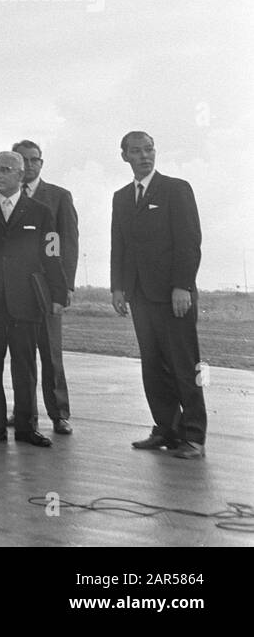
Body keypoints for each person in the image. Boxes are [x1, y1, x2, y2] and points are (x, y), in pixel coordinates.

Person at [0, 151, 68, 447]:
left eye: (5, 169)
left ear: (21, 175)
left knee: (25, 367)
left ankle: (26, 427)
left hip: (26, 303)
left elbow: (53, 254)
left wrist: (59, 294)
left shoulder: (42, 212)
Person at [111, 131, 205, 459]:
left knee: (183, 364)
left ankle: (193, 437)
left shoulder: (176, 190)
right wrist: (118, 287)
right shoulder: (122, 197)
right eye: (136, 151)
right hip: (139, 295)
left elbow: (189, 241)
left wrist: (183, 285)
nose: (144, 156)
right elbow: (119, 245)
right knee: (152, 365)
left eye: (149, 149)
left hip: (173, 295)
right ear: (124, 156)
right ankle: (165, 428)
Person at [13, 140, 78, 435]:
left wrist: (64, 288)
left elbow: (69, 244)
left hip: (48, 287)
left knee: (51, 353)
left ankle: (59, 413)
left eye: (33, 160)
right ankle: (23, 411)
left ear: (41, 163)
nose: (27, 165)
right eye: (22, 160)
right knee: (21, 354)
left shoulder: (59, 197)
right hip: (15, 291)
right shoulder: (5, 196)